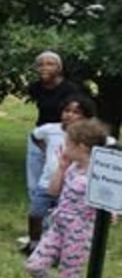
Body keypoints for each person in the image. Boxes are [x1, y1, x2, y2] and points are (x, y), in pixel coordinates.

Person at [25, 119, 110, 278]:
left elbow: (110, 210)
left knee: (68, 275)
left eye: (68, 143)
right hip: (59, 224)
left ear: (81, 147)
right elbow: (54, 192)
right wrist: (62, 167)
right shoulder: (73, 167)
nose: (64, 147)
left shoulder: (97, 175)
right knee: (34, 265)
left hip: (79, 232)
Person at [23, 51, 86, 251]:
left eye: (50, 64)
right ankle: (36, 235)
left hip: (63, 137)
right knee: (36, 185)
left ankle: (53, 234)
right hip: (42, 136)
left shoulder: (70, 89)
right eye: (40, 64)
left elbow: (77, 112)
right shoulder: (36, 88)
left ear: (58, 67)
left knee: (58, 183)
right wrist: (42, 147)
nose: (44, 68)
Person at [25, 94, 97, 255]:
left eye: (76, 112)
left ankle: (58, 249)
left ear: (86, 117)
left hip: (70, 186)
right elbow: (35, 136)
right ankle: (34, 243)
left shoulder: (87, 137)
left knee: (62, 220)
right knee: (35, 213)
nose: (70, 115)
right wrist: (45, 150)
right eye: (67, 110)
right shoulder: (50, 130)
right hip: (47, 182)